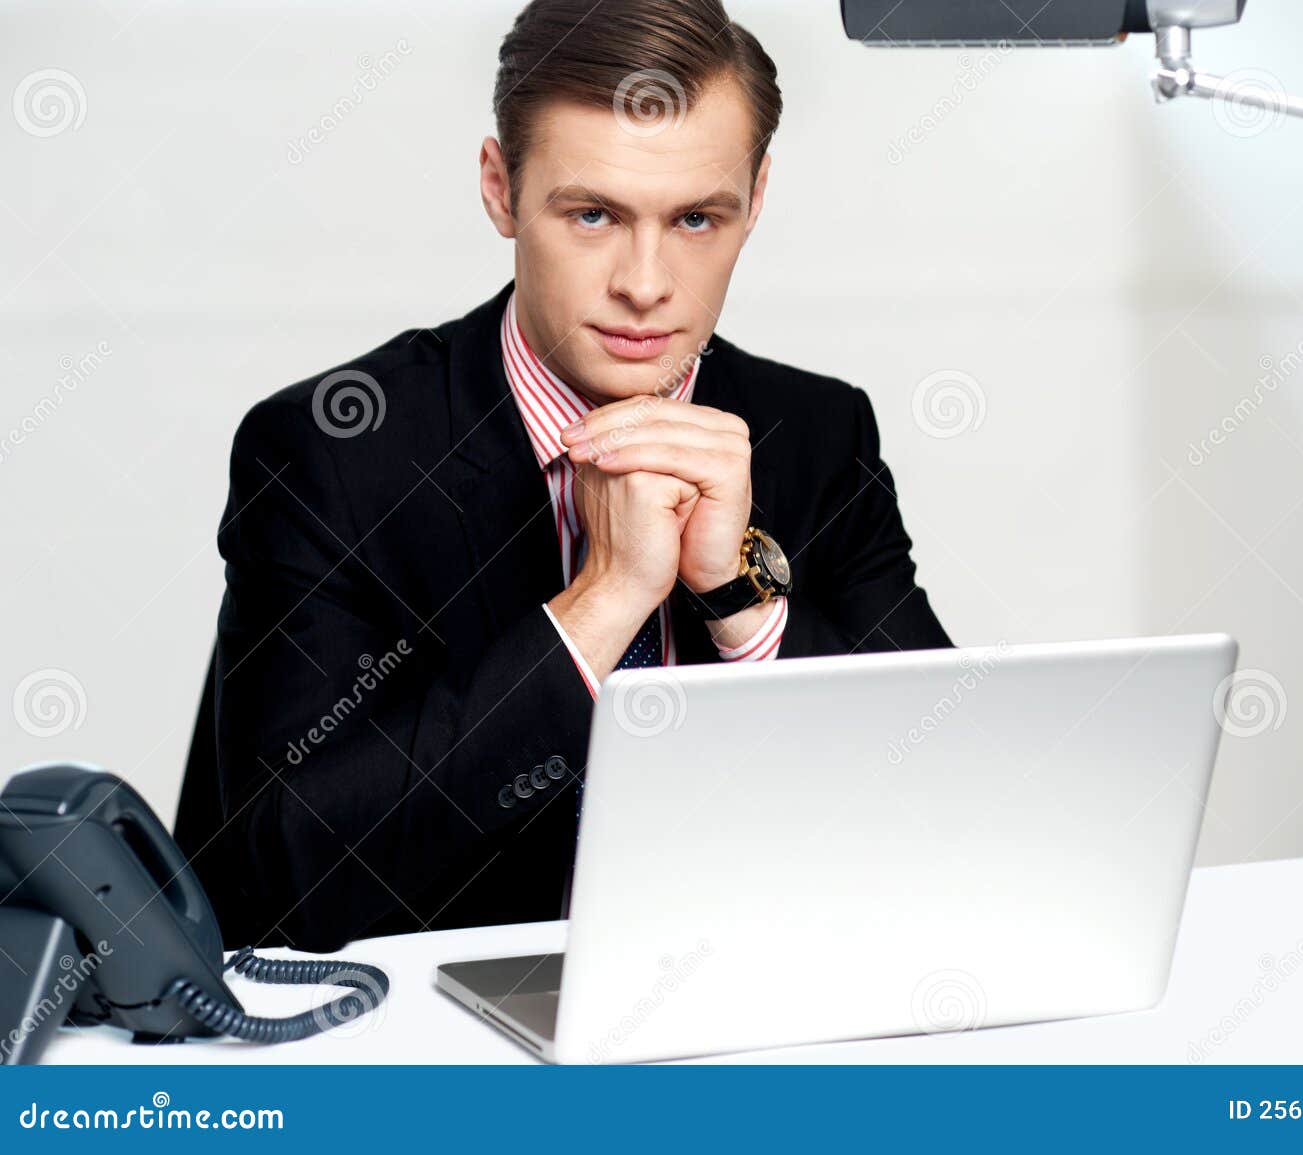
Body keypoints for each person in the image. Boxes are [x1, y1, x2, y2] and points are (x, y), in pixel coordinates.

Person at [177, 0, 950, 953]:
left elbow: (944, 800)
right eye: (593, 214)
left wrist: (740, 598)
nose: (646, 282)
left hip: (753, 1014)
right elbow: (279, 880)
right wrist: (603, 603)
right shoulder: (333, 451)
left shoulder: (821, 432)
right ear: (501, 191)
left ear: (757, 198)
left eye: (698, 218)